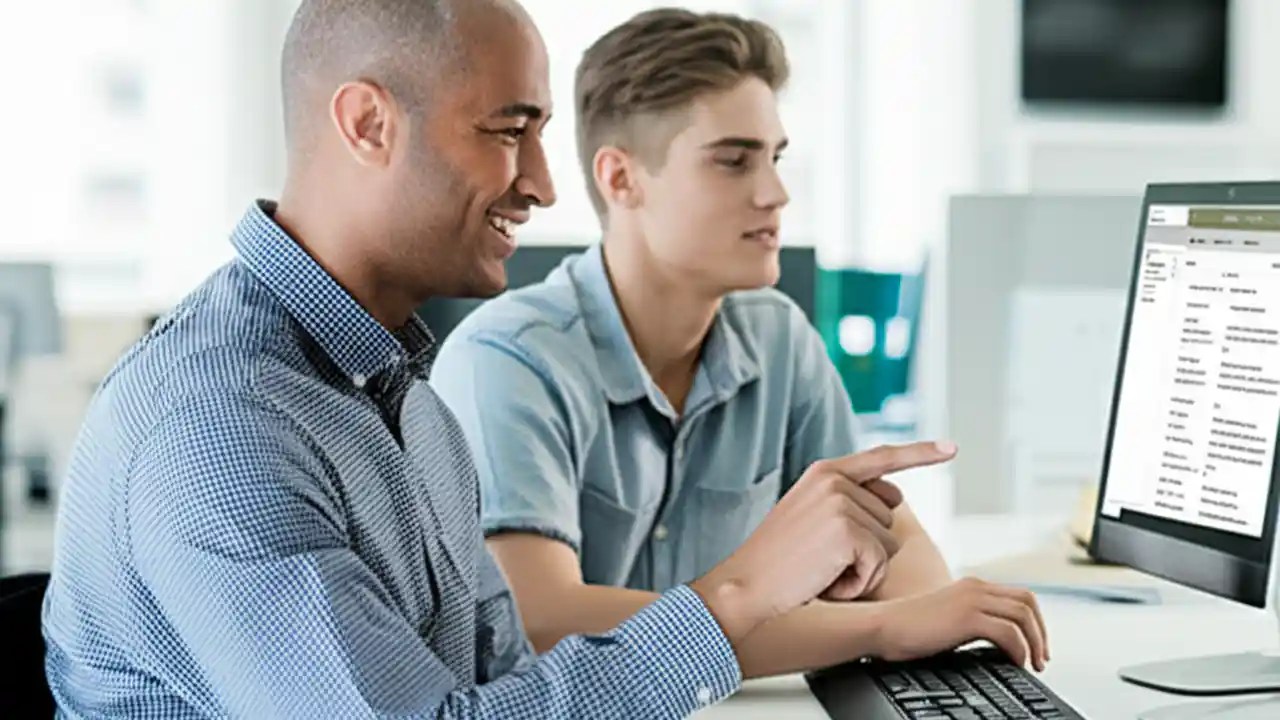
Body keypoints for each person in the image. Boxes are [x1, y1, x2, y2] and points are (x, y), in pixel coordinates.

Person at [42, 1, 1047, 717]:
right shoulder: (222, 429)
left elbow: (498, 683)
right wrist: (740, 592)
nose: (541, 186)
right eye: (506, 133)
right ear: (366, 126)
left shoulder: (398, 399)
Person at [432, 7, 1047, 679]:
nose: (775, 193)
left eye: (776, 159)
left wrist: (916, 613)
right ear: (621, 178)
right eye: (733, 162)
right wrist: (877, 626)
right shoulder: (508, 359)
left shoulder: (779, 339)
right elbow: (541, 620)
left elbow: (904, 568)